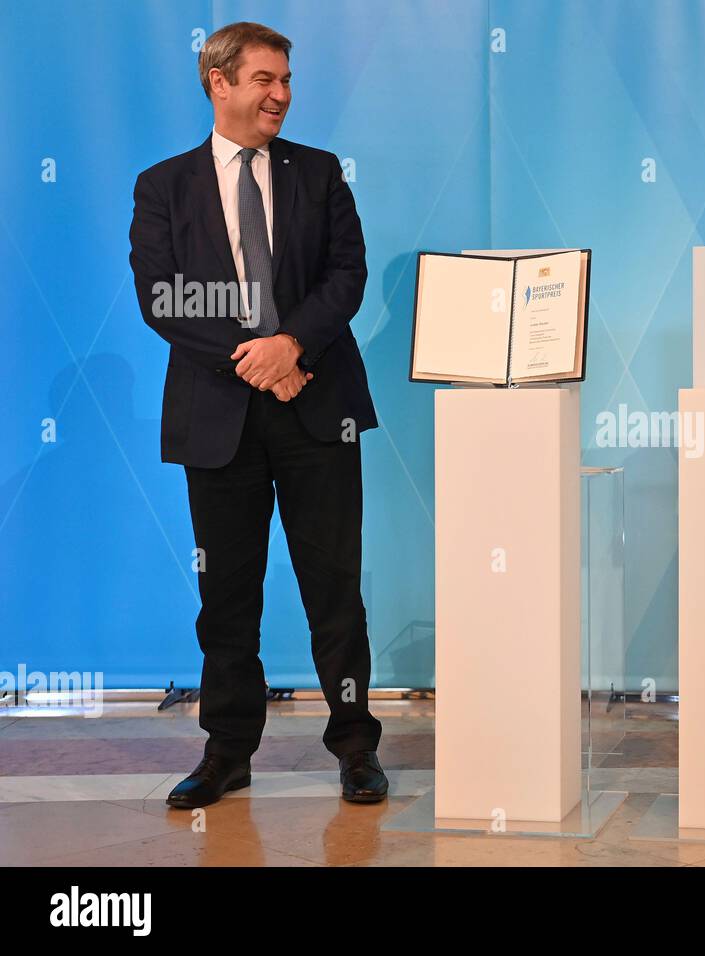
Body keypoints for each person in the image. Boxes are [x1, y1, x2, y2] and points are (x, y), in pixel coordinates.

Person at [128, 21, 387, 808]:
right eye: (265, 80)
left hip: (318, 408)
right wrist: (255, 356)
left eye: (286, 80)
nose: (281, 95)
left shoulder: (319, 174)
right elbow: (161, 296)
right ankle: (227, 753)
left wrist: (292, 348)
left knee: (334, 588)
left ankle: (354, 748)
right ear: (220, 82)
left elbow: (347, 275)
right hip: (220, 418)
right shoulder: (162, 185)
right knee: (228, 597)